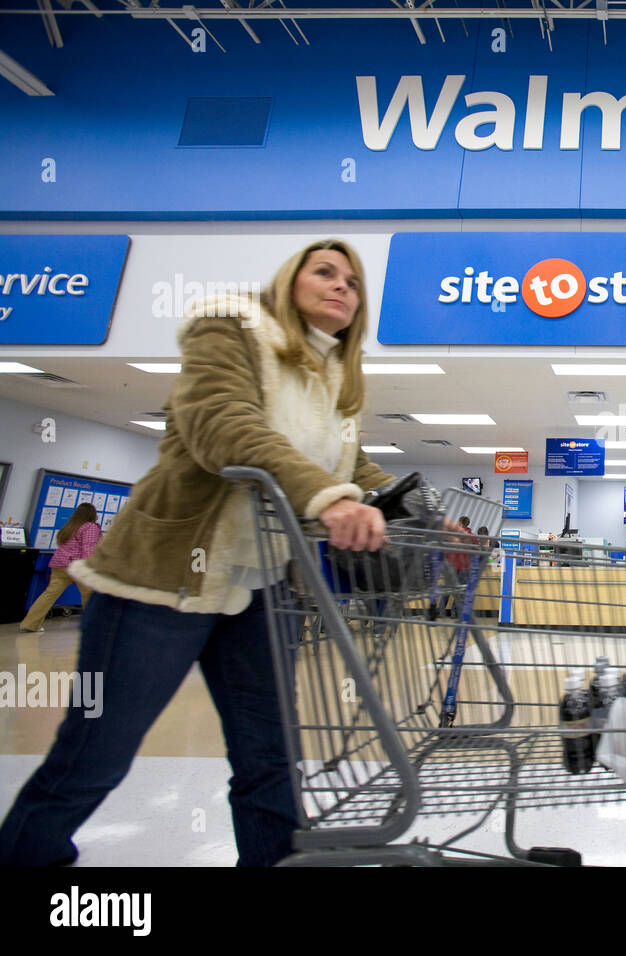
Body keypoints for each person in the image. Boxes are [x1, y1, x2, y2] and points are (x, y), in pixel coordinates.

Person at [0, 239, 395, 868]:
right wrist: (327, 497)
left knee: (270, 757)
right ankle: (27, 853)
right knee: (97, 753)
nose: (342, 286)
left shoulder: (331, 378)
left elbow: (351, 461)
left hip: (259, 589)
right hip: (161, 582)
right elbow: (223, 423)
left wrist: (417, 508)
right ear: (288, 279)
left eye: (353, 280)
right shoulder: (228, 328)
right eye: (324, 272)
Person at [19, 503, 102, 633]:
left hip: (59, 565)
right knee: (90, 596)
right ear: (92, 514)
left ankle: (30, 623)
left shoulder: (70, 527)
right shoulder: (90, 527)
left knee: (49, 595)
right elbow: (88, 550)